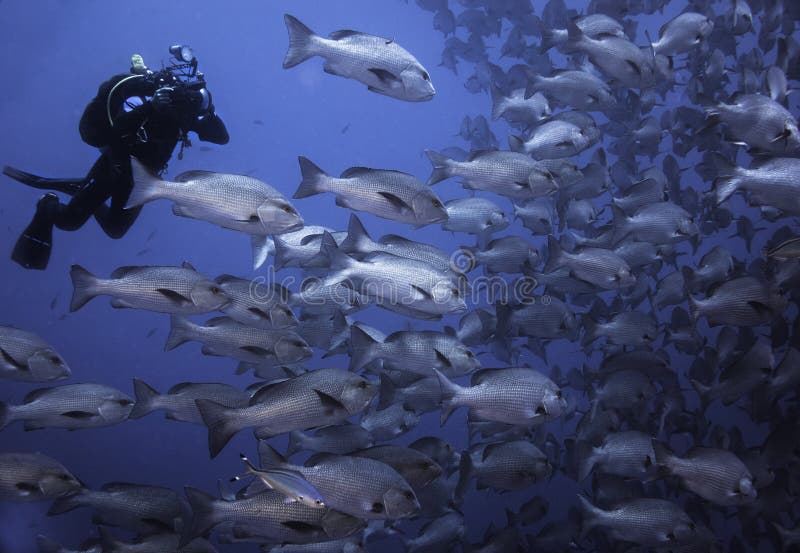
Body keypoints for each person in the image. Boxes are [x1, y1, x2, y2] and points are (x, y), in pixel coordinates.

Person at [4, 45, 229, 270]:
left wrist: (208, 110)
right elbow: (118, 129)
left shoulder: (188, 114)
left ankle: (80, 189)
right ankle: (48, 204)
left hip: (145, 180)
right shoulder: (147, 99)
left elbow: (221, 138)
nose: (181, 103)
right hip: (116, 165)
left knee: (115, 229)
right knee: (69, 222)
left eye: (189, 100)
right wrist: (151, 106)